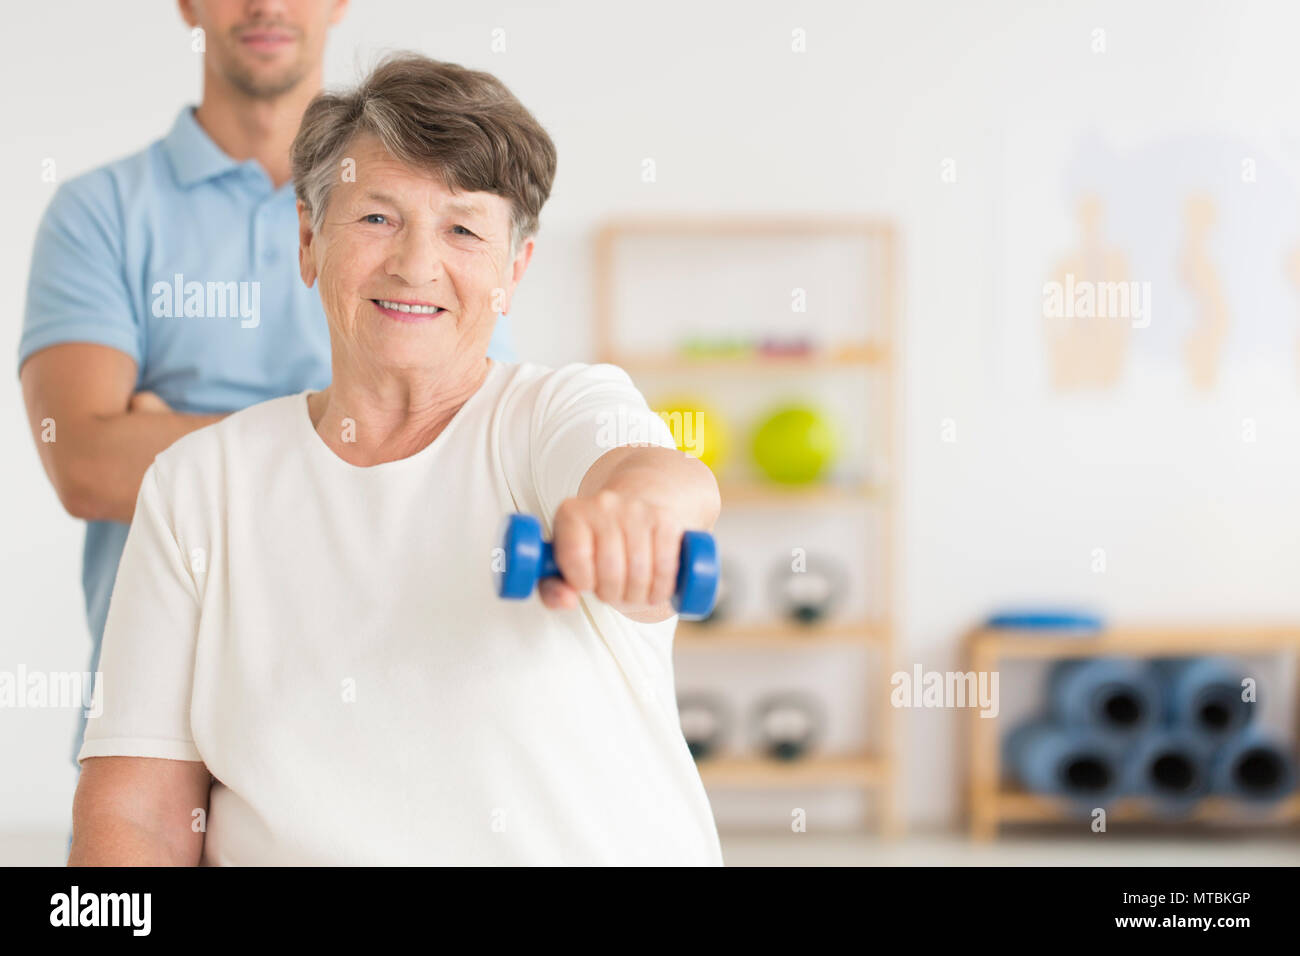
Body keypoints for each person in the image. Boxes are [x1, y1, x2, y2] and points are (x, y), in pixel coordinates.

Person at [69, 53, 724, 866]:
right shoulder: (200, 484)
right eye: (377, 218)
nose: (415, 265)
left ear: (512, 271)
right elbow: (136, 819)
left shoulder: (551, 414)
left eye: (462, 228)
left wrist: (639, 515)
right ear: (310, 240)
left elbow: (658, 475)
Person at [17, 0, 519, 769]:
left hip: (387, 708)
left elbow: (454, 446)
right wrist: (360, 425)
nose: (267, 4)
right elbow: (86, 464)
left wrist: (168, 434)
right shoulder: (99, 214)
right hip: (162, 723)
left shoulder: (435, 224)